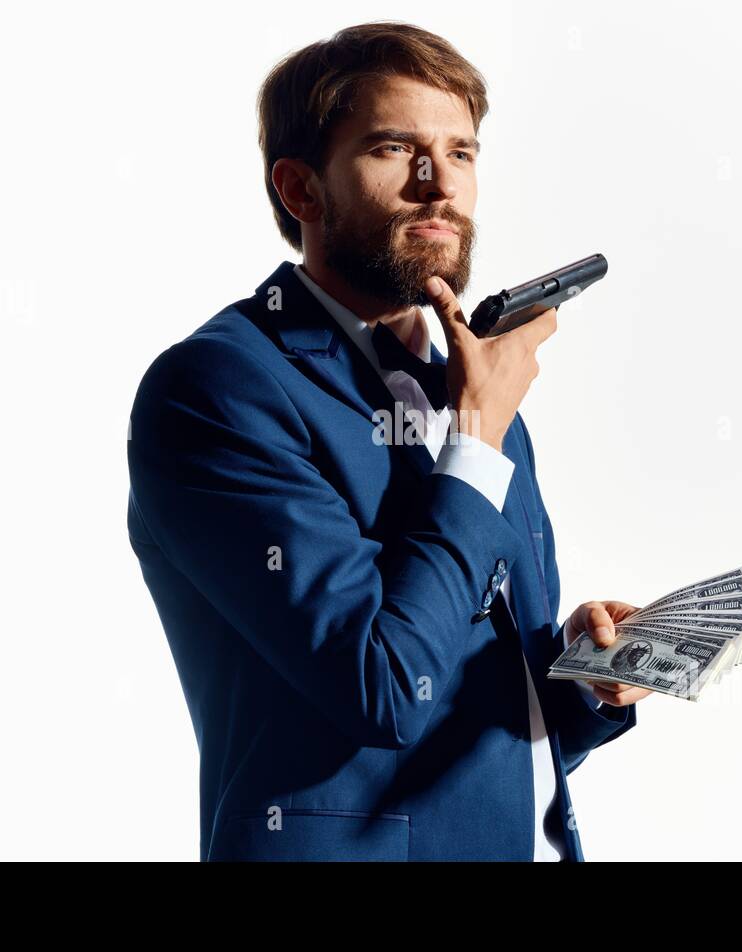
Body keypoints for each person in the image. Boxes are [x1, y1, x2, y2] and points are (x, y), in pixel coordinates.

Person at [126, 21, 652, 862]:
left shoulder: (475, 390)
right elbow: (381, 687)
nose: (438, 184)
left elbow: (473, 720)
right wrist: (477, 439)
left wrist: (585, 683)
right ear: (301, 189)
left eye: (462, 152)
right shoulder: (217, 391)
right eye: (394, 149)